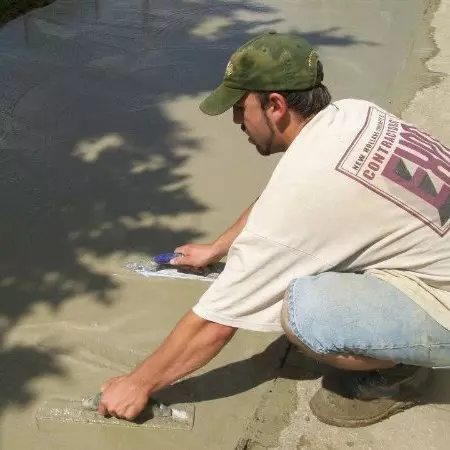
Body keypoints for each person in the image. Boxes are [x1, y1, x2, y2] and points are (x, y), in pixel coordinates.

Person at [98, 32, 450, 428]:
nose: (235, 120)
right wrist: (217, 248)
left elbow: (215, 322)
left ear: (276, 106)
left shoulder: (308, 190)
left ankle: (401, 374)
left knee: (303, 312)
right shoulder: (352, 114)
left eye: (239, 107)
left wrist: (138, 383)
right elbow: (282, 194)